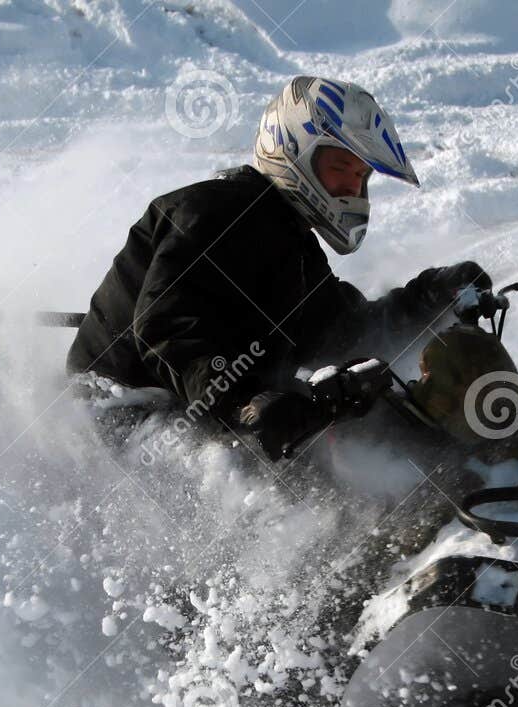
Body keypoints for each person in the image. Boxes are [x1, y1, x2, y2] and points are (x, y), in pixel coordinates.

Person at [67, 75, 490, 459]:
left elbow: (344, 333)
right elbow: (168, 327)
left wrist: (427, 299)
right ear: (292, 149)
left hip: (186, 416)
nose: (351, 187)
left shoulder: (291, 245)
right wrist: (245, 403)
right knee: (305, 473)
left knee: (360, 407)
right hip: (118, 418)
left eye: (361, 176)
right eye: (340, 167)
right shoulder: (219, 212)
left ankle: (470, 468)